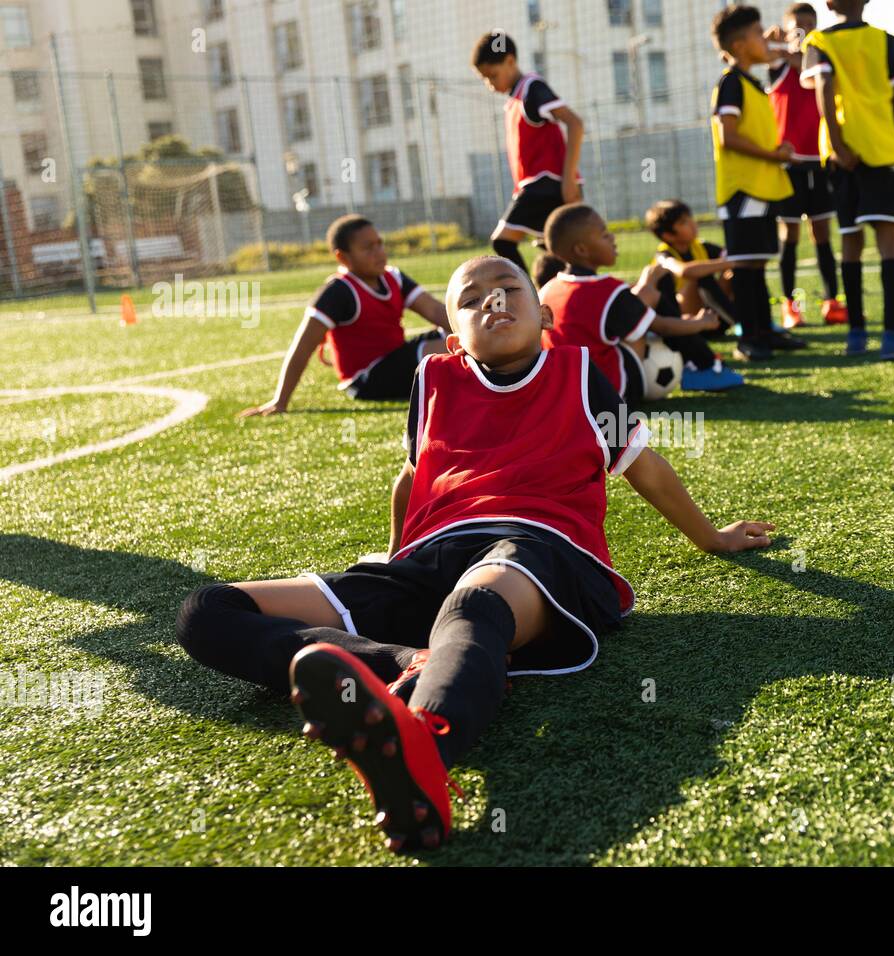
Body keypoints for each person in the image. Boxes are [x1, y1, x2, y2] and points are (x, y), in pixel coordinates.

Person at [175, 255, 775, 853]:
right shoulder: (433, 379)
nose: (492, 301)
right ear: (449, 335)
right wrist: (391, 557)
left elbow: (642, 466)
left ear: (543, 313)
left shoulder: (578, 370)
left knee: (475, 606)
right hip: (428, 560)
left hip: (538, 550)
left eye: (508, 288)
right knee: (207, 611)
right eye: (470, 298)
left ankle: (424, 739)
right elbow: (412, 476)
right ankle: (407, 663)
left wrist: (711, 537)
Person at [802, 0, 894, 358]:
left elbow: (823, 93)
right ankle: (892, 335)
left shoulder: (817, 42)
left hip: (839, 157)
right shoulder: (886, 41)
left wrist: (840, 145)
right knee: (888, 238)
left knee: (850, 239)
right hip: (882, 151)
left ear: (828, 4)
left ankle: (856, 335)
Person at [239, 215, 449, 416]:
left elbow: (436, 311)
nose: (379, 252)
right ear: (343, 257)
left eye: (379, 244)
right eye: (368, 248)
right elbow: (303, 346)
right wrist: (280, 400)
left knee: (456, 337)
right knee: (446, 351)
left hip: (398, 357)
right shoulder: (338, 291)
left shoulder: (393, 276)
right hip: (366, 379)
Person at [540, 203, 744, 400]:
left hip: (564, 394)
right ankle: (704, 364)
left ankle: (699, 362)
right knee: (650, 303)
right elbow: (663, 326)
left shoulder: (549, 288)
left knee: (642, 301)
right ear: (582, 250)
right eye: (604, 235)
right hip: (613, 392)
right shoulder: (607, 289)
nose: (613, 238)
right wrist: (701, 323)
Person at [711, 4, 808, 361]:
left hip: (762, 187)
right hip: (742, 190)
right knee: (744, 265)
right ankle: (747, 338)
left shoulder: (753, 83)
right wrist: (774, 156)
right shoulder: (731, 83)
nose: (764, 37)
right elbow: (729, 138)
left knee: (758, 262)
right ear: (738, 45)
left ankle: (764, 332)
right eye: (757, 32)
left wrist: (776, 150)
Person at [472, 31, 584, 274]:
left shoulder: (532, 88)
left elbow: (575, 124)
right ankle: (561, 303)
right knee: (559, 262)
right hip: (534, 189)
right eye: (484, 79)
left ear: (510, 61)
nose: (490, 84)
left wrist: (568, 181)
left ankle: (527, 302)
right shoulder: (513, 101)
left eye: (493, 75)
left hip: (548, 186)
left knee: (503, 241)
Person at [766, 3, 848, 329]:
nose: (800, 32)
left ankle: (832, 302)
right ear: (786, 31)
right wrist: (773, 43)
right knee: (790, 235)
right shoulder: (777, 62)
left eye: (807, 26)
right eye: (794, 27)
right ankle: (791, 305)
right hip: (789, 163)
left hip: (820, 159)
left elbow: (806, 63)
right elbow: (758, 50)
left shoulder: (818, 61)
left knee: (823, 234)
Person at [645, 199, 739, 341]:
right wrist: (728, 263)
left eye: (691, 219)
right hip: (683, 324)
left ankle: (757, 323)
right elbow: (684, 271)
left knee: (735, 273)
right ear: (668, 235)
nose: (693, 224)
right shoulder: (663, 256)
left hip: (713, 319)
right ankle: (740, 324)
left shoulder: (700, 246)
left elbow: (734, 258)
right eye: (684, 222)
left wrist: (733, 264)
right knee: (699, 275)